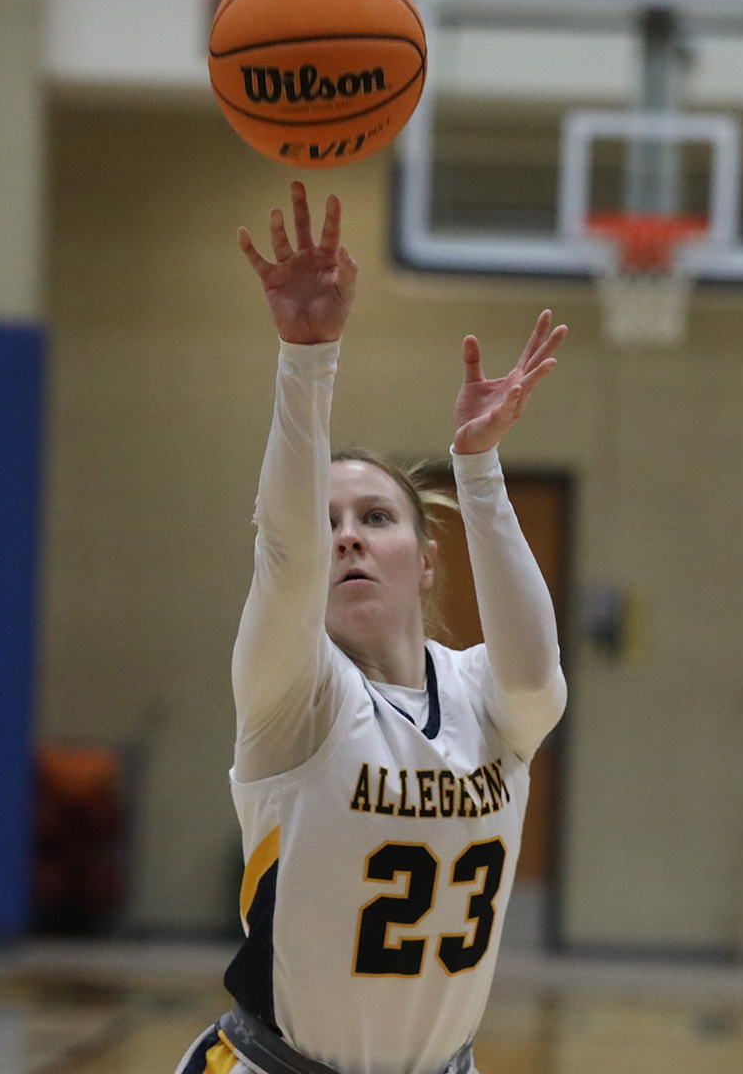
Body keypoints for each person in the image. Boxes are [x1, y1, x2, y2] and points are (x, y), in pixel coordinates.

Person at [174, 182, 567, 1074]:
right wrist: (306, 359)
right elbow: (284, 546)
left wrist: (478, 467)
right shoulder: (294, 698)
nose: (347, 531)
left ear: (427, 560)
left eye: (378, 517)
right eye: (331, 517)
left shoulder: (486, 697)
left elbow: (539, 675)